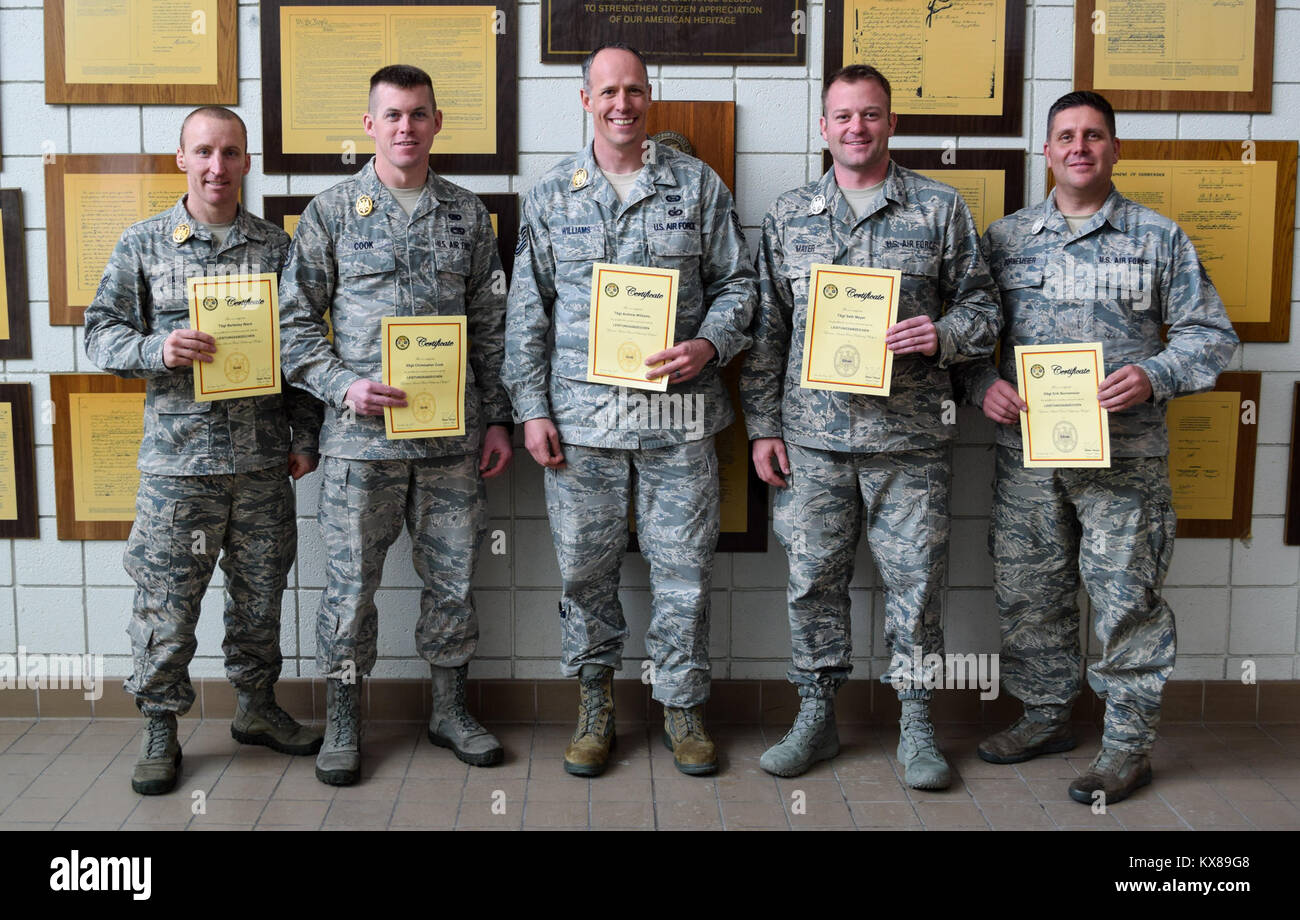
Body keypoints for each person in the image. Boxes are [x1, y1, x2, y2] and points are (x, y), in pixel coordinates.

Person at [958, 90, 1238, 804]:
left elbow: (1211, 338)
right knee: (1031, 593)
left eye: (1093, 135)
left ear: (1115, 149)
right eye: (1065, 136)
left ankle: (1125, 746)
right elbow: (969, 337)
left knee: (1126, 600)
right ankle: (1047, 715)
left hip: (1125, 460)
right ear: (1045, 151)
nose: (1078, 147)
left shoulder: (1158, 238)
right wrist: (982, 383)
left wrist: (1153, 375)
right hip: (1029, 459)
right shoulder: (1006, 239)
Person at [741, 65, 1002, 787]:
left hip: (910, 441)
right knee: (811, 582)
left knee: (917, 587)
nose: (857, 127)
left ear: (892, 123)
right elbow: (767, 333)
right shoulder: (790, 215)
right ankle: (817, 717)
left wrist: (940, 336)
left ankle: (916, 723)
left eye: (871, 114)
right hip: (812, 441)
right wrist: (763, 427)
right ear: (823, 128)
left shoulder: (940, 210)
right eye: (843, 116)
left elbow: (985, 313)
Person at [505, 42, 756, 777]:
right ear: (585, 99)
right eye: (608, 91)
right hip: (581, 427)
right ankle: (594, 702)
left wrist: (709, 345)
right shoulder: (553, 194)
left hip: (678, 422)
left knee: (685, 571)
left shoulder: (695, 186)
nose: (623, 104)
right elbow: (528, 312)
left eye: (635, 91)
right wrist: (530, 409)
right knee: (585, 571)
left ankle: (682, 705)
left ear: (650, 98)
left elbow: (740, 285)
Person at [278, 65, 512, 786]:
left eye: (418, 114)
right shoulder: (331, 212)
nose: (405, 127)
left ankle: (448, 709)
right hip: (358, 445)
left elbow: (494, 325)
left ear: (438, 122)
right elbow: (291, 326)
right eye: (392, 115)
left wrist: (498, 418)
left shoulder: (468, 215)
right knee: (350, 589)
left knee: (454, 579)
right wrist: (344, 386)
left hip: (450, 443)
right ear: (370, 123)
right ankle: (345, 720)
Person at [85, 106, 323, 796]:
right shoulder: (143, 243)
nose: (217, 166)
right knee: (167, 603)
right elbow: (99, 336)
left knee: (259, 598)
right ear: (182, 159)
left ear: (247, 160)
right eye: (204, 152)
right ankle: (161, 727)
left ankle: (255, 709)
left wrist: (304, 436)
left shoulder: (278, 250)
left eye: (230, 152)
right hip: (178, 469)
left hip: (259, 465)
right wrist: (156, 348)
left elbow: (302, 350)